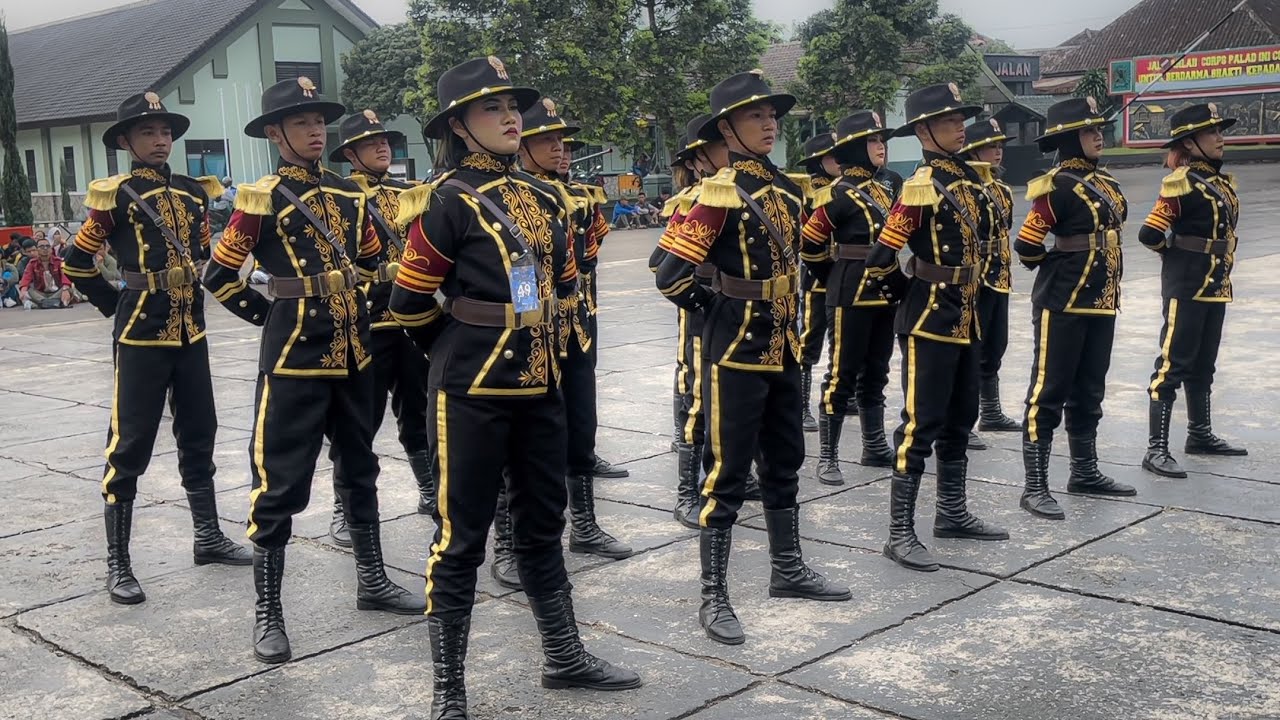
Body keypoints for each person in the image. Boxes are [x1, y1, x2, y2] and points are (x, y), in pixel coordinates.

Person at [388, 57, 641, 718]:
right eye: (490, 108)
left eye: (512, 107)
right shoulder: (445, 200)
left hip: (541, 384)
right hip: (470, 389)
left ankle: (564, 657)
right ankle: (449, 690)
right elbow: (409, 302)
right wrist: (457, 349)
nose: (510, 117)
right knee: (462, 536)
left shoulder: (546, 196)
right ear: (458, 125)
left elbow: (560, 285)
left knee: (540, 525)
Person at [204, 77, 423, 665]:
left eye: (319, 121)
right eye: (301, 123)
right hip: (295, 358)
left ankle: (373, 580)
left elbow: (378, 263)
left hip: (354, 355)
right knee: (278, 483)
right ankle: (269, 612)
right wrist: (272, 314)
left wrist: (368, 311)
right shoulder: (261, 198)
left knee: (361, 466)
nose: (315, 130)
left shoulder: (352, 196)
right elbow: (219, 276)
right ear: (275, 134)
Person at [655, 69, 851, 646]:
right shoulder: (717, 191)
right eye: (754, 117)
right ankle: (714, 595)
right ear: (727, 128)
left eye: (772, 116)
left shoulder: (790, 190)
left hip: (783, 348)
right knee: (728, 472)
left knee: (786, 461)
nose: (768, 124)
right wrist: (716, 303)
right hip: (735, 350)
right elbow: (669, 275)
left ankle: (787, 569)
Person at [61, 92, 252, 606]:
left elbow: (209, 260)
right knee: (130, 444)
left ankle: (208, 537)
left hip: (191, 333)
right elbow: (76, 263)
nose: (160, 140)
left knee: (200, 434)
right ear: (126, 141)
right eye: (148, 133)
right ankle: (118, 563)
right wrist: (114, 304)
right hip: (142, 334)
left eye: (166, 132)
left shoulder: (194, 192)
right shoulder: (115, 195)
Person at [488, 98, 631, 593]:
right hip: (530, 334)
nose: (561, 150)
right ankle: (506, 544)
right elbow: (519, 271)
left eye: (564, 142)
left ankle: (586, 525)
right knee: (519, 444)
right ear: (522, 146)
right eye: (549, 141)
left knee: (581, 429)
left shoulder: (581, 198)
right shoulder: (511, 197)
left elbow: (588, 260)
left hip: (578, 328)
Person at [868, 84, 1010, 572]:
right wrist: (907, 301)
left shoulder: (971, 181)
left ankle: (951, 513)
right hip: (930, 320)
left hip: (967, 315)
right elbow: (881, 257)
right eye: (950, 121)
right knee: (920, 423)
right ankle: (899, 532)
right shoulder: (921, 184)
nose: (961, 126)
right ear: (924, 131)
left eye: (960, 119)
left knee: (960, 418)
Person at [1014, 97, 1137, 520]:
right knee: (1048, 392)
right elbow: (1028, 245)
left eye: (1098, 129)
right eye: (1089, 131)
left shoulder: (1107, 184)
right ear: (1069, 140)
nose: (1098, 136)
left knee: (1090, 390)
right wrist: (1057, 266)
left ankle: (1084, 471)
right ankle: (1034, 486)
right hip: (1062, 302)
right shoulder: (1056, 187)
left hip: (1102, 302)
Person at [322, 109, 435, 547]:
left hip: (408, 320)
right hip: (367, 322)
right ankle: (343, 508)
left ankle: (428, 490)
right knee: (356, 422)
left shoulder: (411, 192)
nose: (382, 147)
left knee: (419, 412)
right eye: (371, 143)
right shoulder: (341, 197)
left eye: (385, 141)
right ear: (351, 153)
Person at [1139, 103, 1246, 477]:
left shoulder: (1218, 181)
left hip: (1216, 284)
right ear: (1190, 142)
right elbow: (1150, 234)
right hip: (1187, 285)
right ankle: (1156, 449)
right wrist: (1176, 257)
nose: (1220, 138)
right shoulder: (1180, 183)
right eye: (1212, 132)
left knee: (1203, 364)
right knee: (1171, 366)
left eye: (1220, 131)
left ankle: (1199, 434)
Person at [801, 111, 903, 487]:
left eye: (882, 140)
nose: (882, 147)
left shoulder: (884, 189)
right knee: (841, 375)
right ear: (857, 148)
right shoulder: (836, 193)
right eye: (874, 141)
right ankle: (827, 456)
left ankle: (874, 444)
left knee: (877, 372)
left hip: (883, 291)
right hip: (850, 293)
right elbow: (809, 242)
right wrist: (832, 276)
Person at [960, 119, 1022, 441]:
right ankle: (964, 420)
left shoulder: (1003, 190)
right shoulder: (965, 190)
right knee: (972, 348)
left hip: (1000, 276)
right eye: (990, 146)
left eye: (1000, 146)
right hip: (975, 279)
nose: (998, 151)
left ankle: (992, 412)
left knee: (996, 345)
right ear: (972, 151)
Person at [794, 133, 837, 434]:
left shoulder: (845, 189)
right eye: (834, 157)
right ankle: (800, 406)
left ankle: (838, 398)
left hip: (844, 279)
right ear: (819, 163)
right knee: (809, 342)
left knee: (842, 343)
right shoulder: (809, 194)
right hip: (817, 279)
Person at [19, 235, 73, 309]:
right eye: (41, 246)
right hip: (41, 293)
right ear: (37, 250)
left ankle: (44, 303)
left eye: (47, 246)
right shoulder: (32, 263)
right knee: (28, 290)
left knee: (69, 288)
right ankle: (52, 302)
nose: (45, 249)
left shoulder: (60, 261)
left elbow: (65, 276)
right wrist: (23, 290)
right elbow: (26, 278)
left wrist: (65, 289)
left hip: (57, 292)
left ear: (51, 249)